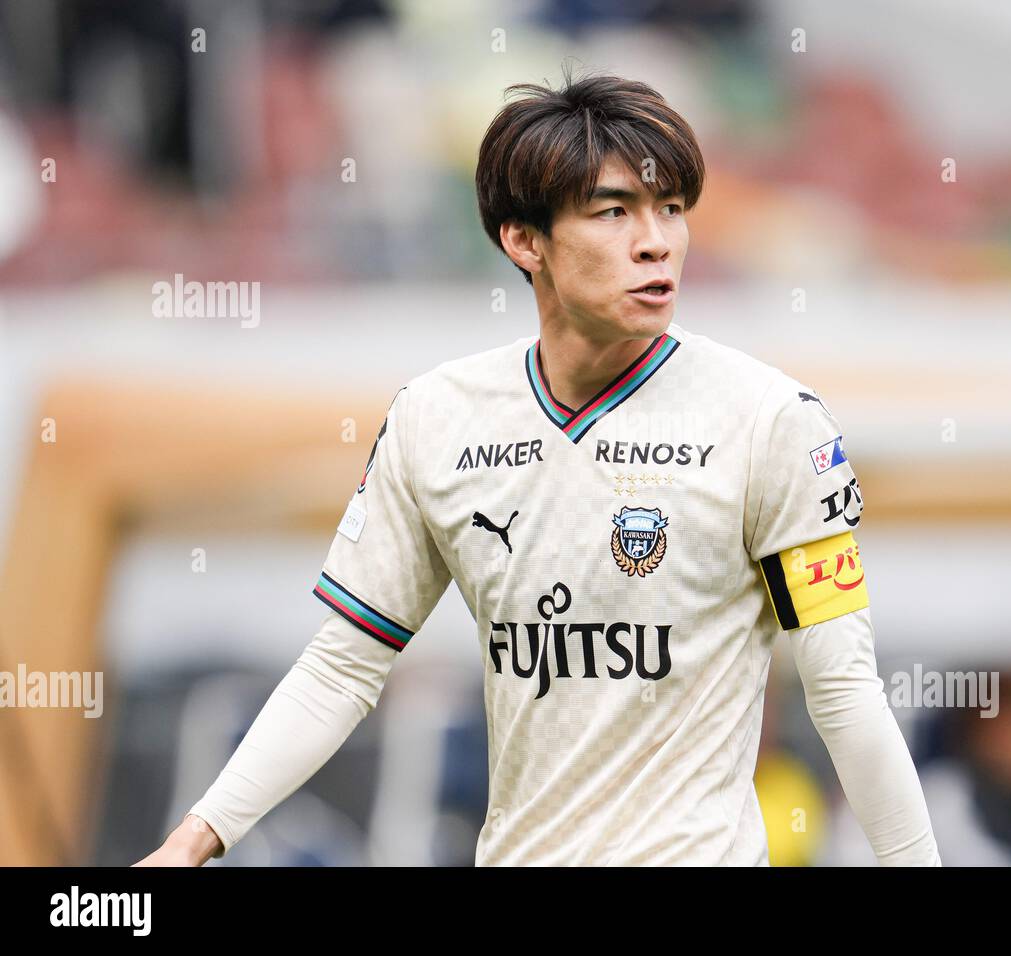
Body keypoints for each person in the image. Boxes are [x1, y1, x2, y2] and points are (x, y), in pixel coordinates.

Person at [136, 68, 940, 867]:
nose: (656, 240)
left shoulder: (772, 422)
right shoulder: (437, 418)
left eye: (670, 209)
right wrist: (196, 838)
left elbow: (844, 694)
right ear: (525, 240)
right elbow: (342, 669)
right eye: (614, 211)